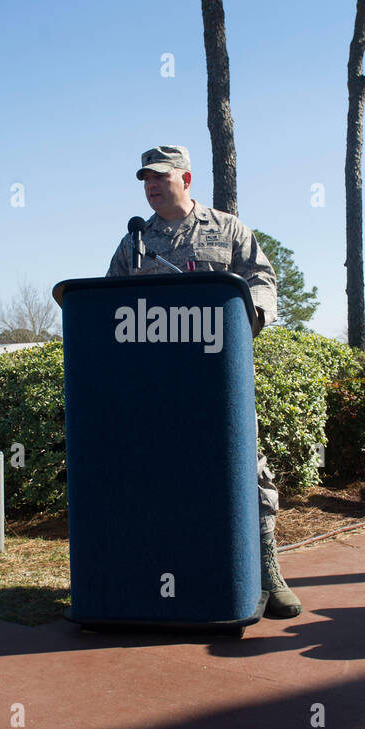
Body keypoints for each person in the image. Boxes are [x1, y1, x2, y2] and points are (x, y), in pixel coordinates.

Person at [105, 145, 299, 619]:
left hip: (221, 375)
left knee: (245, 465)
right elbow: (109, 298)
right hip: (159, 383)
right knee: (163, 472)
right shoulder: (135, 241)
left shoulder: (227, 228)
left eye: (160, 178)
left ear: (186, 180)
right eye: (145, 179)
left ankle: (267, 570)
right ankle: (173, 570)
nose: (151, 186)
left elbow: (262, 279)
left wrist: (247, 316)